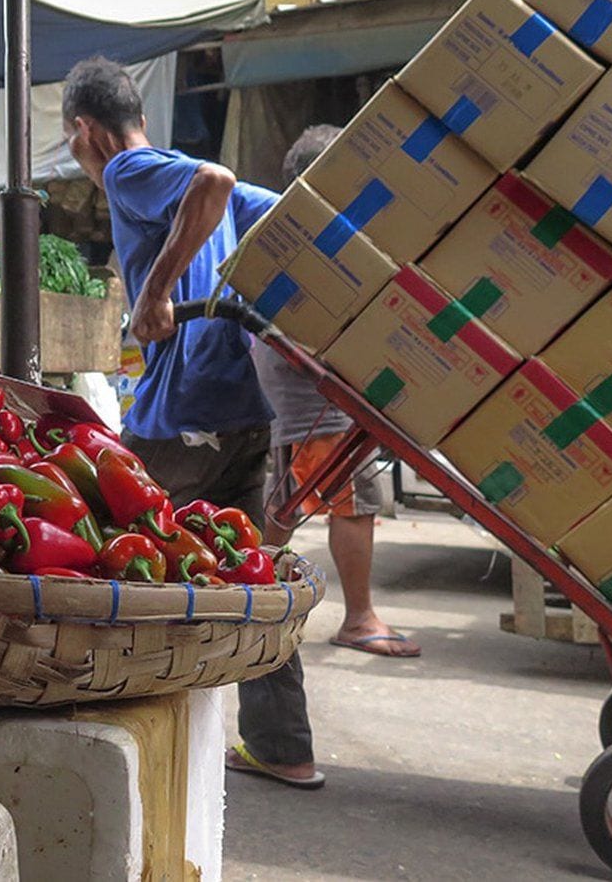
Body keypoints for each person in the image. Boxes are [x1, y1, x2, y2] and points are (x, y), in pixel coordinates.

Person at [62, 57, 321, 789]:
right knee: (246, 576)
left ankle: (102, 726)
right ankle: (282, 745)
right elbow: (279, 211)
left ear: (88, 131)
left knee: (107, 546)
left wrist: (155, 291)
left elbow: (215, 182)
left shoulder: (130, 170)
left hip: (188, 405)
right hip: (247, 402)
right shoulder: (168, 185)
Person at [252, 126, 420, 659]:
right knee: (350, 505)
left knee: (285, 503)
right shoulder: (309, 238)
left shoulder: (293, 234)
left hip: (306, 391)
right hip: (315, 394)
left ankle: (245, 587)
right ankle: (357, 617)